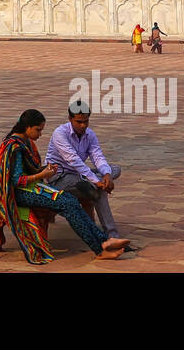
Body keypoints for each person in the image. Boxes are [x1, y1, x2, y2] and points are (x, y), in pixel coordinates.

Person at [0, 109, 130, 264]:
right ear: (27, 127)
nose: (40, 134)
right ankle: (100, 248)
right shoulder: (13, 147)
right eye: (38, 130)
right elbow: (16, 181)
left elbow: (31, 170)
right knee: (67, 203)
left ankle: (104, 241)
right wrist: (41, 175)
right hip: (17, 193)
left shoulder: (26, 143)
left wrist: (45, 171)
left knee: (70, 200)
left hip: (33, 187)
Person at [45, 101, 134, 248]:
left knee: (115, 169)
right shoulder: (60, 133)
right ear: (70, 119)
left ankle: (94, 185)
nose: (83, 125)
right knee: (99, 190)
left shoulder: (90, 134)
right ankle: (112, 236)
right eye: (79, 122)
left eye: (86, 121)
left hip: (80, 176)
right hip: (60, 178)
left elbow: (97, 156)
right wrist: (97, 181)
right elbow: (73, 160)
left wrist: (106, 175)